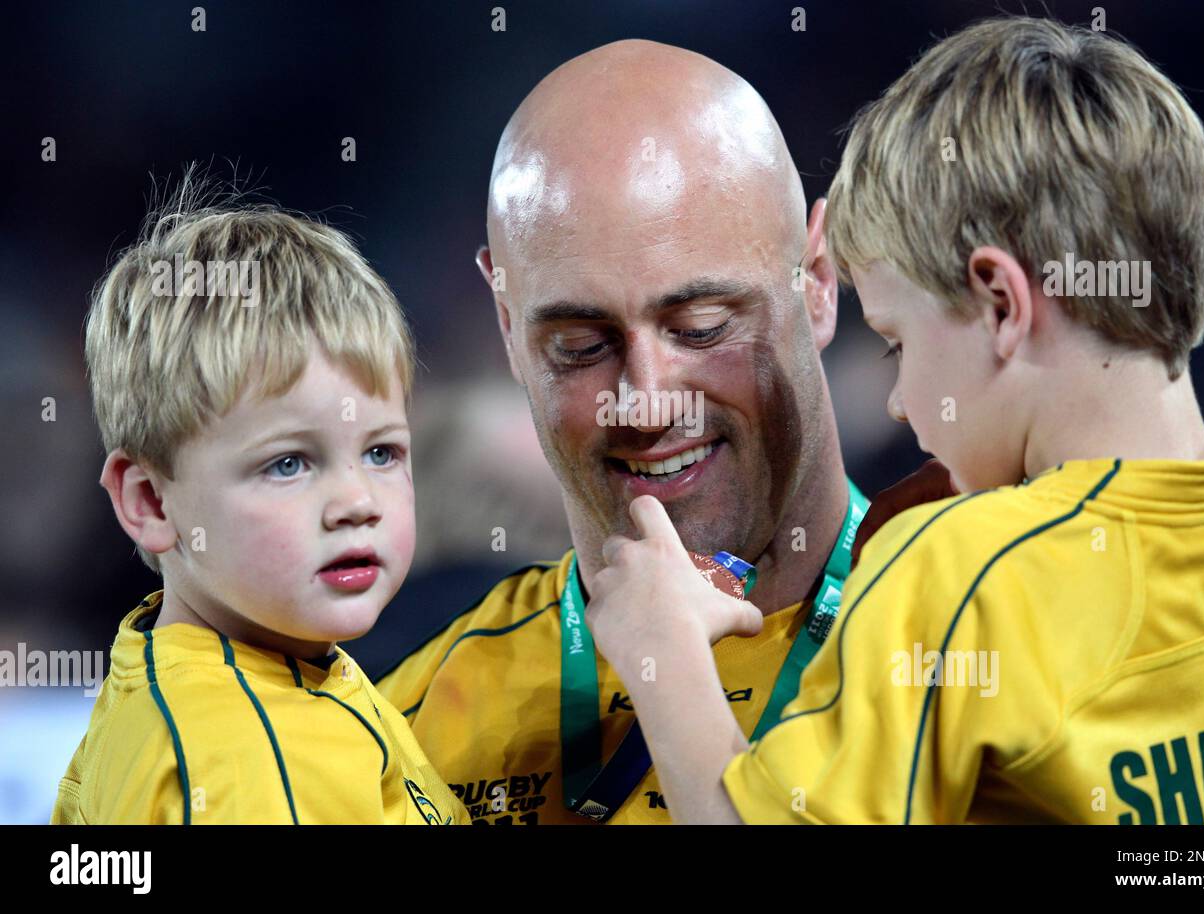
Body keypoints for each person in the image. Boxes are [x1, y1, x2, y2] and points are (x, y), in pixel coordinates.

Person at [582, 16, 1204, 824]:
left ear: (1000, 303)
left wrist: (663, 656)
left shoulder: (954, 574)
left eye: (896, 345)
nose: (899, 402)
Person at [375, 39, 874, 824]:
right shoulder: (395, 728)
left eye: (703, 328)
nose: (644, 403)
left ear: (816, 281)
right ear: (507, 326)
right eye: (582, 347)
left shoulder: (973, 649)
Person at [54, 180, 466, 824]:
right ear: (151, 503)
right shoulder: (234, 753)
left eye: (381, 452)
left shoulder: (272, 667)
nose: (357, 502)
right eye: (288, 464)